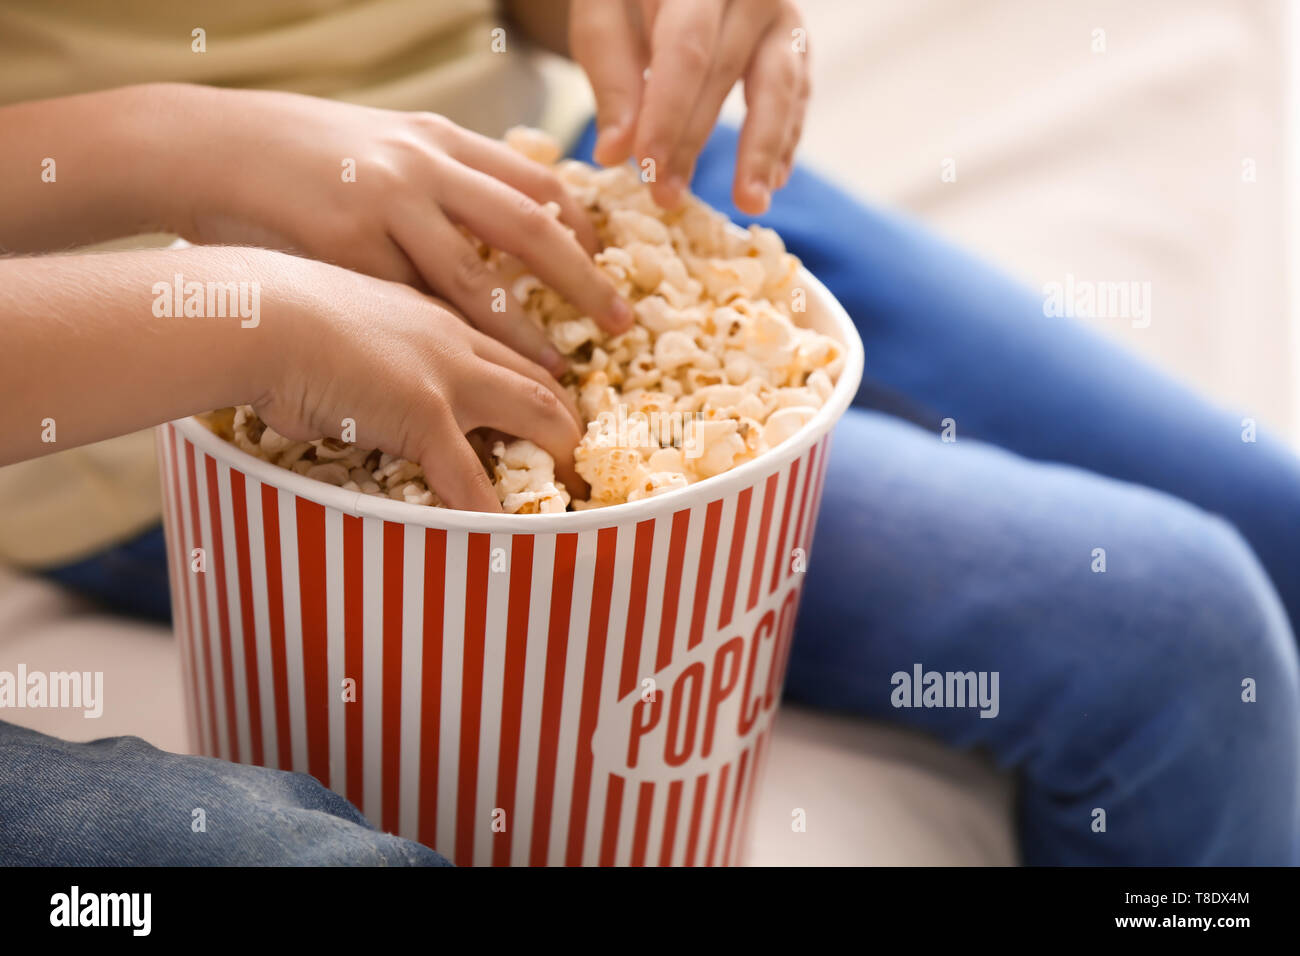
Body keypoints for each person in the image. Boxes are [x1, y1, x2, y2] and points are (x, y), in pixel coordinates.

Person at [2, 0, 1298, 866]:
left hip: (529, 159)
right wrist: (184, 145)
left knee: (1274, 529)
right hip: (134, 317)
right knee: (1180, 636)